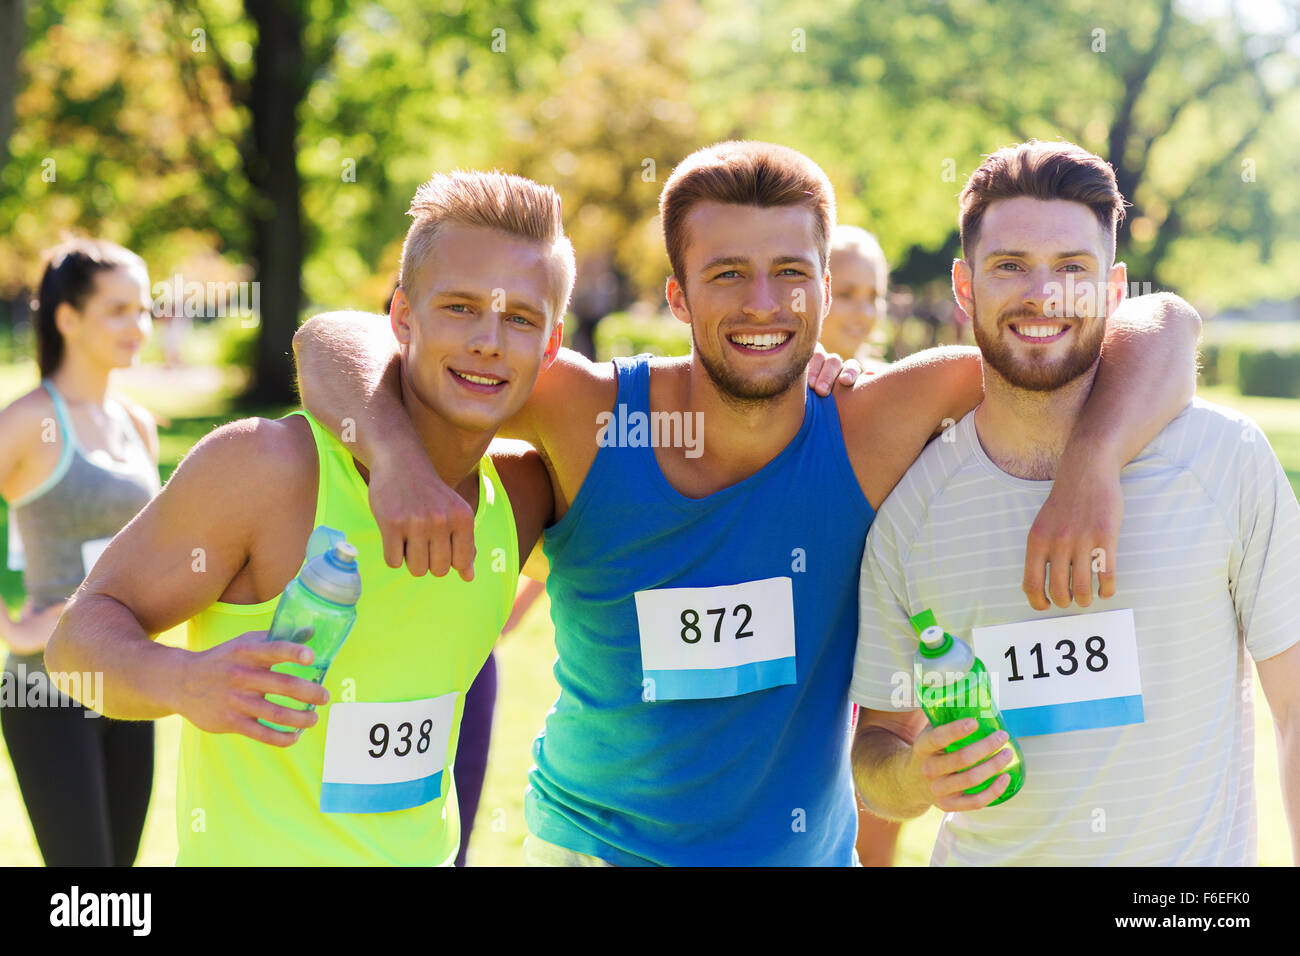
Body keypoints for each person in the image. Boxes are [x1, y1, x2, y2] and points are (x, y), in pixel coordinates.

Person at [292, 140, 1202, 866]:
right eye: (727, 273)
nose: (762, 304)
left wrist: (1091, 463)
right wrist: (396, 458)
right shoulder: (589, 415)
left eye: (791, 274)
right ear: (678, 296)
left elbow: (1161, 323)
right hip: (590, 851)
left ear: (825, 289)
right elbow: (341, 334)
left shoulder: (871, 423)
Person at [45, 171, 572, 865]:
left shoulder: (526, 494)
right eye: (460, 308)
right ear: (403, 318)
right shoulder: (267, 468)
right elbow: (74, 644)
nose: (488, 340)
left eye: (521, 319)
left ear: (553, 344)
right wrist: (181, 679)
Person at [849, 140, 1300, 866]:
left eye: (1072, 269)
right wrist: (913, 775)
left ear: (1114, 290)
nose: (1043, 295)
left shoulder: (1224, 460)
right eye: (1010, 267)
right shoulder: (912, 509)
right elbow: (877, 753)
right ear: (965, 287)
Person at [0, 237, 160, 866]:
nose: (138, 326)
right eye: (118, 310)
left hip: (127, 680)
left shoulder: (137, 424)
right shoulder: (30, 421)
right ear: (67, 318)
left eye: (143, 310)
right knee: (82, 885)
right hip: (46, 690)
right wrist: (14, 628)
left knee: (119, 886)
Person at [819, 225, 889, 370]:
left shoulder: (894, 385)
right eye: (846, 294)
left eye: (873, 296)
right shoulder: (776, 387)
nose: (865, 312)